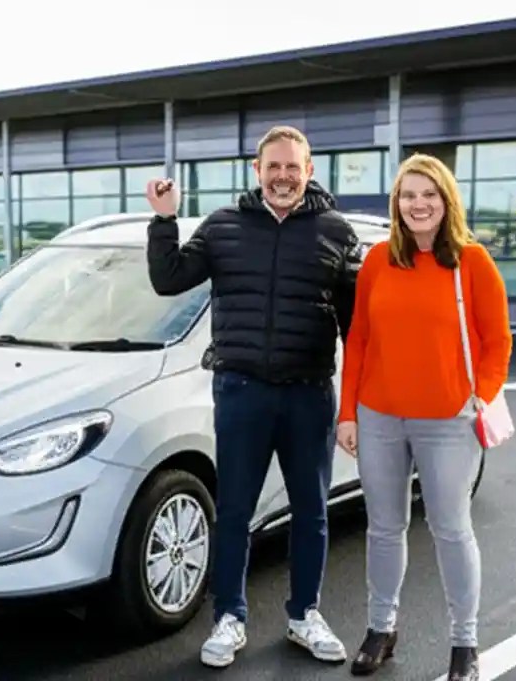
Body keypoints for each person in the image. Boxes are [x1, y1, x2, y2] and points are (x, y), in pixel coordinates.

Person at [145, 125, 362, 669]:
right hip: (241, 390)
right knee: (236, 509)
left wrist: (360, 402)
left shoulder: (336, 232)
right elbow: (169, 279)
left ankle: (304, 615)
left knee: (311, 511)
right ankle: (230, 618)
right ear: (256, 170)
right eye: (274, 167)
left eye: (293, 167)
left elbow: (358, 327)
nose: (283, 176)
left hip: (309, 394)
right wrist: (165, 219)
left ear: (309, 171)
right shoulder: (223, 227)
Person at [335, 153, 511, 681]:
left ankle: (465, 644)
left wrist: (477, 397)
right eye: (408, 195)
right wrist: (349, 414)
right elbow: (359, 341)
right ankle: (381, 629)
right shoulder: (377, 262)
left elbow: (498, 342)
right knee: (384, 528)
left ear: (445, 200)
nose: (418, 204)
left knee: (451, 530)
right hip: (380, 417)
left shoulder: (473, 262)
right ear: (397, 205)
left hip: (448, 422)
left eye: (428, 194)